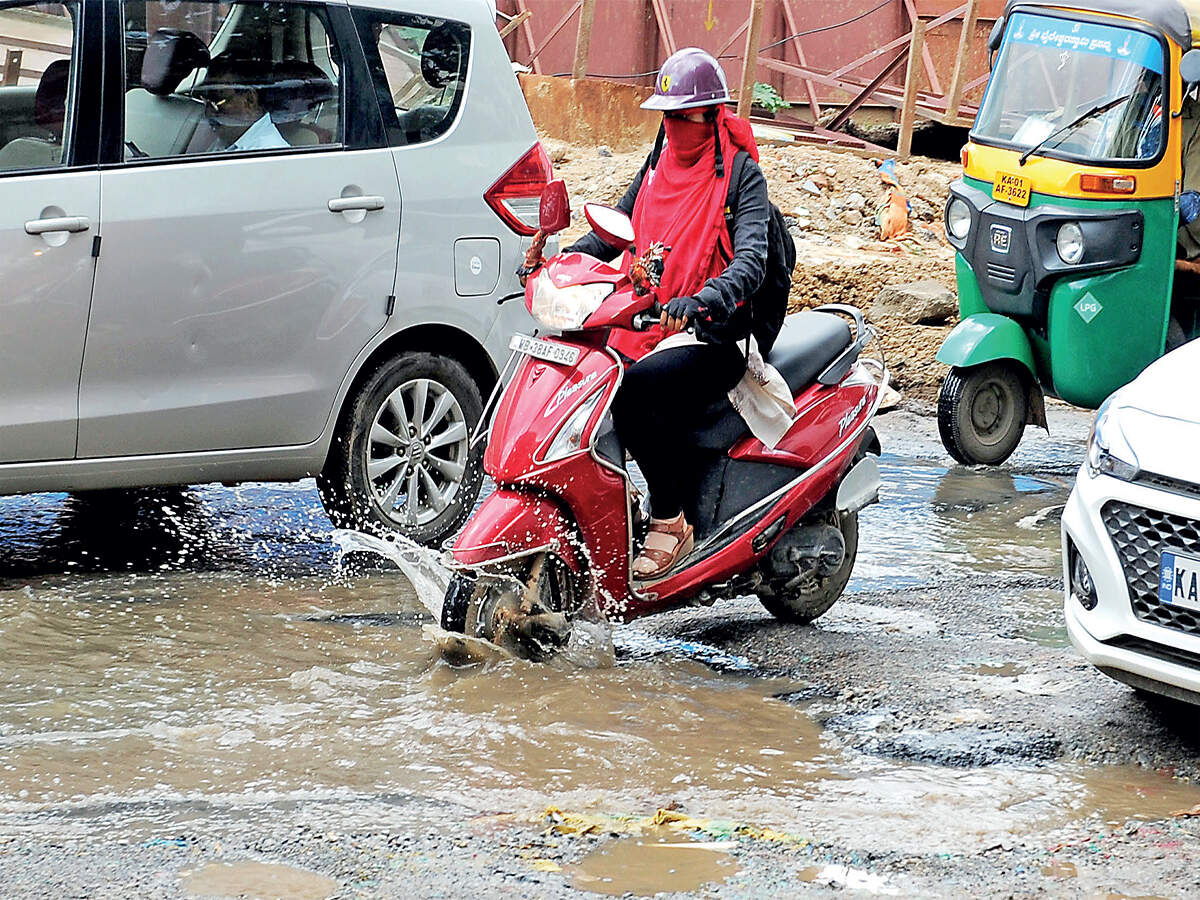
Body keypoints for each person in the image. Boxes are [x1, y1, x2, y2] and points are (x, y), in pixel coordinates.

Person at [564, 48, 776, 579]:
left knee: (634, 389)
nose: (675, 126)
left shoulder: (742, 177)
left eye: (685, 116)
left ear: (711, 114)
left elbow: (752, 261)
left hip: (713, 333)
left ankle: (669, 520)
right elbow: (617, 229)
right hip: (646, 319)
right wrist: (566, 263)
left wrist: (703, 300)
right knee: (583, 377)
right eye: (668, 116)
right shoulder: (656, 167)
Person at [199, 57, 289, 152]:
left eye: (217, 101)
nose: (208, 113)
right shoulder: (229, 141)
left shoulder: (267, 153)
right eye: (206, 102)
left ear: (250, 100)